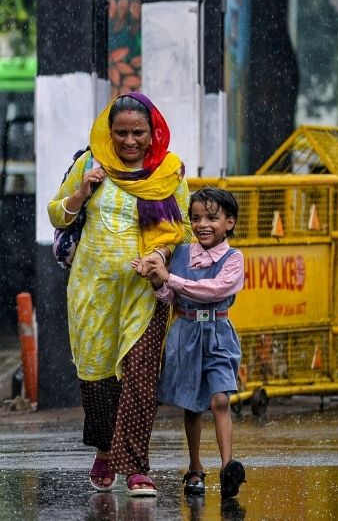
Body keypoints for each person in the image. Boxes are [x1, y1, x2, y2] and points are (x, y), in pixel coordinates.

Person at [47, 92, 190, 497]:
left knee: (141, 375)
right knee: (96, 377)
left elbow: (181, 228)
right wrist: (81, 193)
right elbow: (57, 213)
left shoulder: (171, 171)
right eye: (121, 133)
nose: (129, 141)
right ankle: (106, 449)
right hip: (92, 291)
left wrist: (159, 255)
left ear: (152, 132)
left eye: (138, 133)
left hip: (143, 291)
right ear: (109, 133)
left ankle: (137, 467)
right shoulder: (90, 163)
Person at [139, 186, 245, 499]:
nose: (203, 224)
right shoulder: (182, 253)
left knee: (220, 398)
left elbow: (214, 290)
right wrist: (158, 279)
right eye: (196, 218)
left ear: (229, 223)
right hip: (184, 332)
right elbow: (170, 297)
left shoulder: (233, 259)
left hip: (218, 333)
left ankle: (228, 468)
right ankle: (195, 468)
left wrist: (170, 278)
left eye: (212, 217)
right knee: (191, 405)